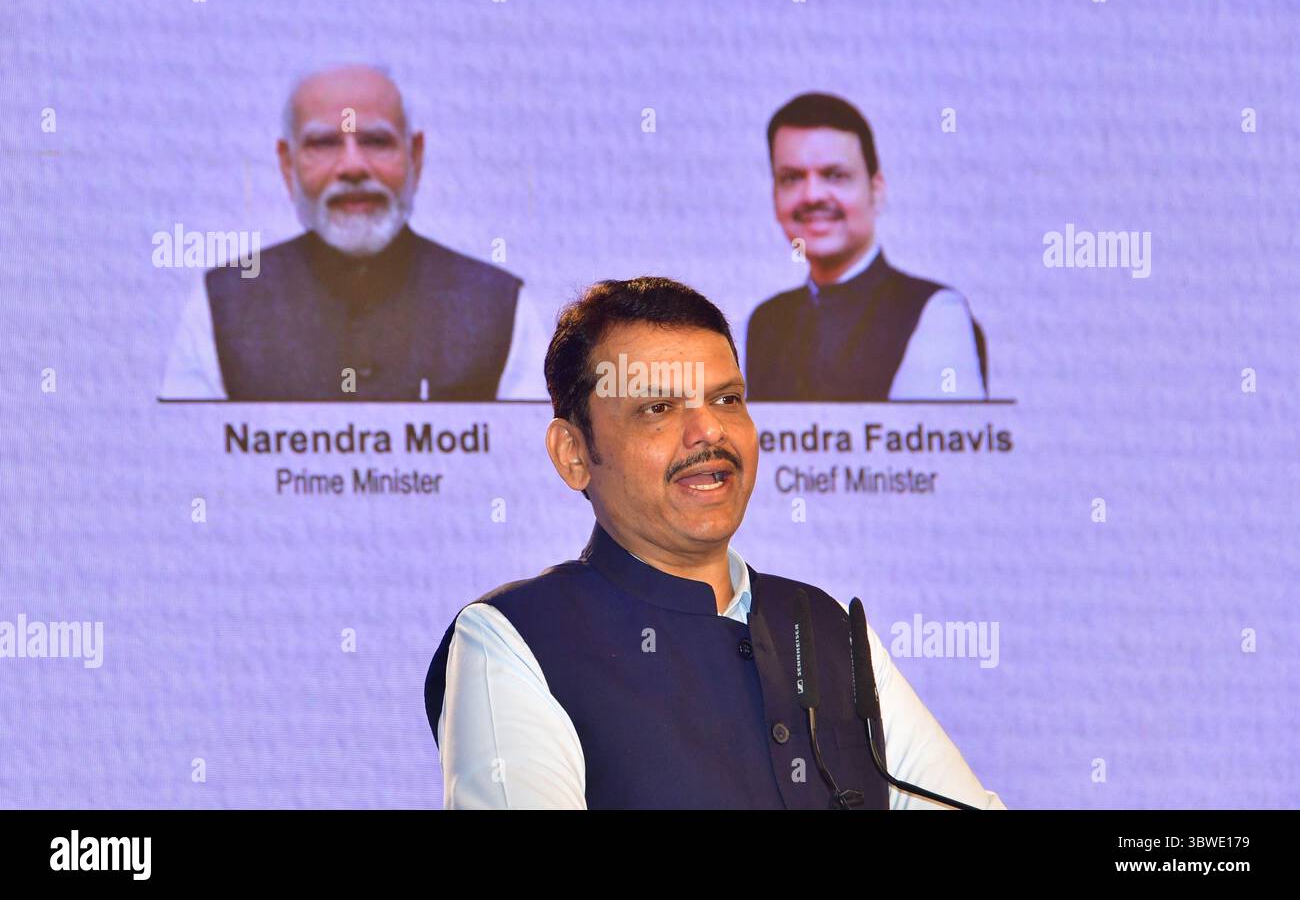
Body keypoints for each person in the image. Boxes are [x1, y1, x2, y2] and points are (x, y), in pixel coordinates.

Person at [424, 276, 1006, 809]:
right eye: (658, 408)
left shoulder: (821, 625)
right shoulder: (514, 638)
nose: (710, 432)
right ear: (574, 455)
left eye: (727, 399)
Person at [161, 63, 548, 401]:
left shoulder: (501, 306)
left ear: (415, 156)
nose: (352, 166)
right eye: (325, 143)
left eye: (376, 142)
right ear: (287, 163)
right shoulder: (219, 305)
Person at [746, 93, 988, 401]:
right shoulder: (765, 324)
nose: (812, 195)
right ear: (774, 196)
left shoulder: (934, 314)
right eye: (791, 178)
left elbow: (930, 446)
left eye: (834, 175)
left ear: (876, 190)